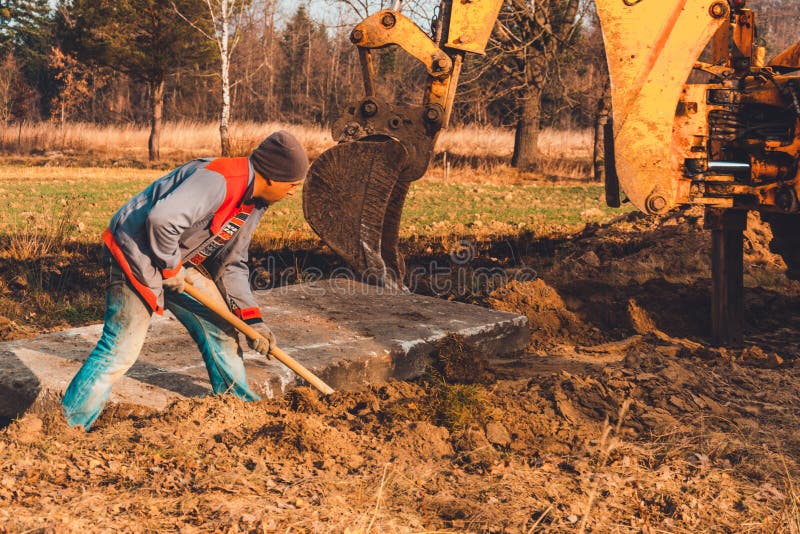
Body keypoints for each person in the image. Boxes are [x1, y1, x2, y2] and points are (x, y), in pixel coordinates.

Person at [61, 131, 309, 429]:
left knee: (220, 329)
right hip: (135, 254)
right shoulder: (218, 180)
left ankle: (239, 408)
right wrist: (171, 267)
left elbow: (231, 262)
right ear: (273, 176)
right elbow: (161, 219)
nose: (293, 191)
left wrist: (252, 319)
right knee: (120, 348)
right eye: (293, 184)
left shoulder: (254, 203)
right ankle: (68, 427)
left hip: (174, 261)